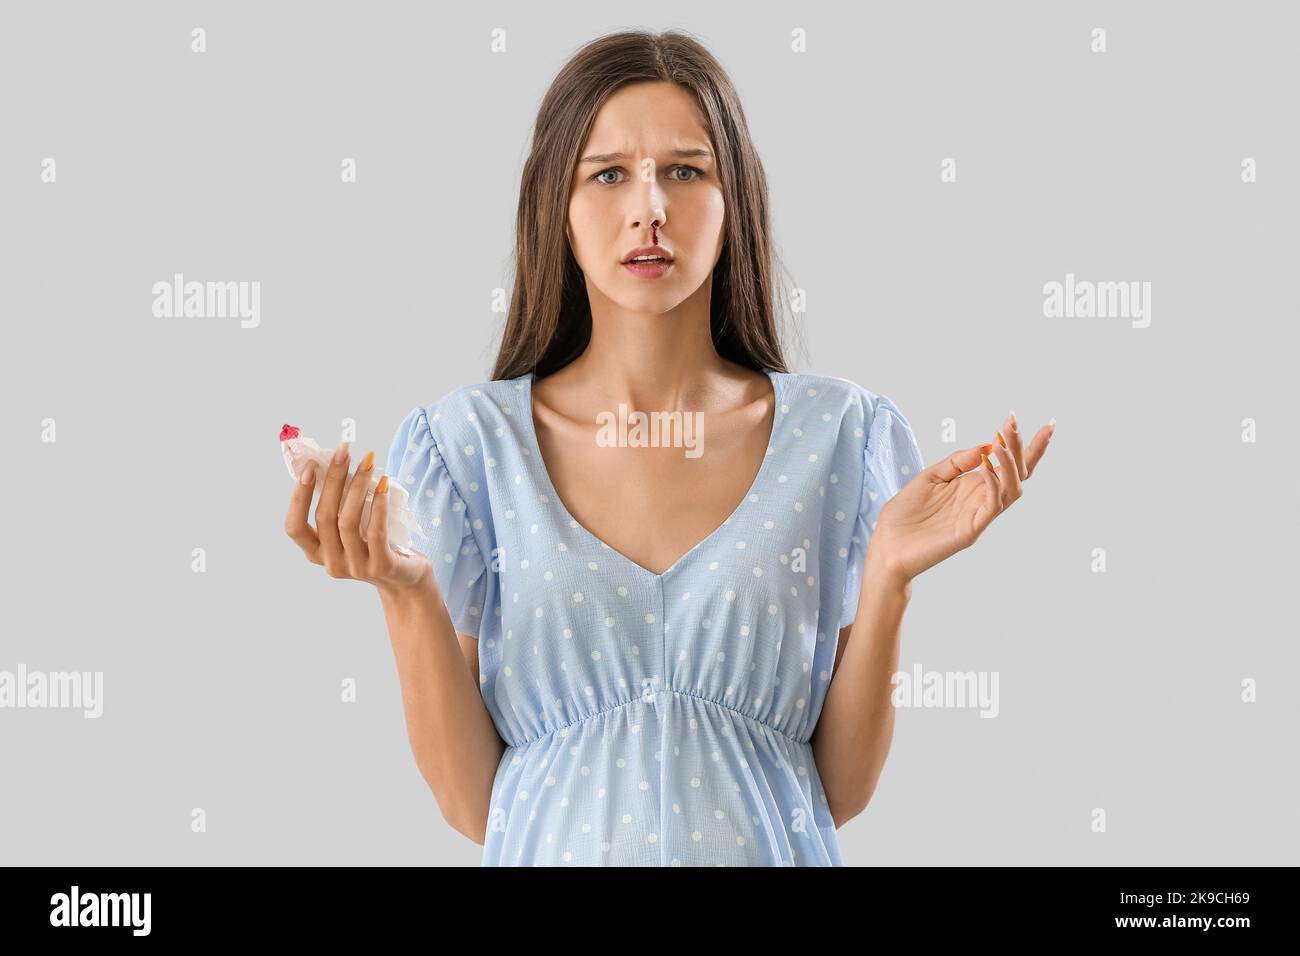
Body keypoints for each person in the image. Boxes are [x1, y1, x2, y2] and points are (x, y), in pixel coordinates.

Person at [284, 29, 1054, 866]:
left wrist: (891, 576)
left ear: (735, 201)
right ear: (558, 206)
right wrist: (406, 591)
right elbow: (477, 805)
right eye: (608, 173)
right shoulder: (469, 448)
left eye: (686, 171)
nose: (649, 206)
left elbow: (834, 791)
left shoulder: (839, 438)